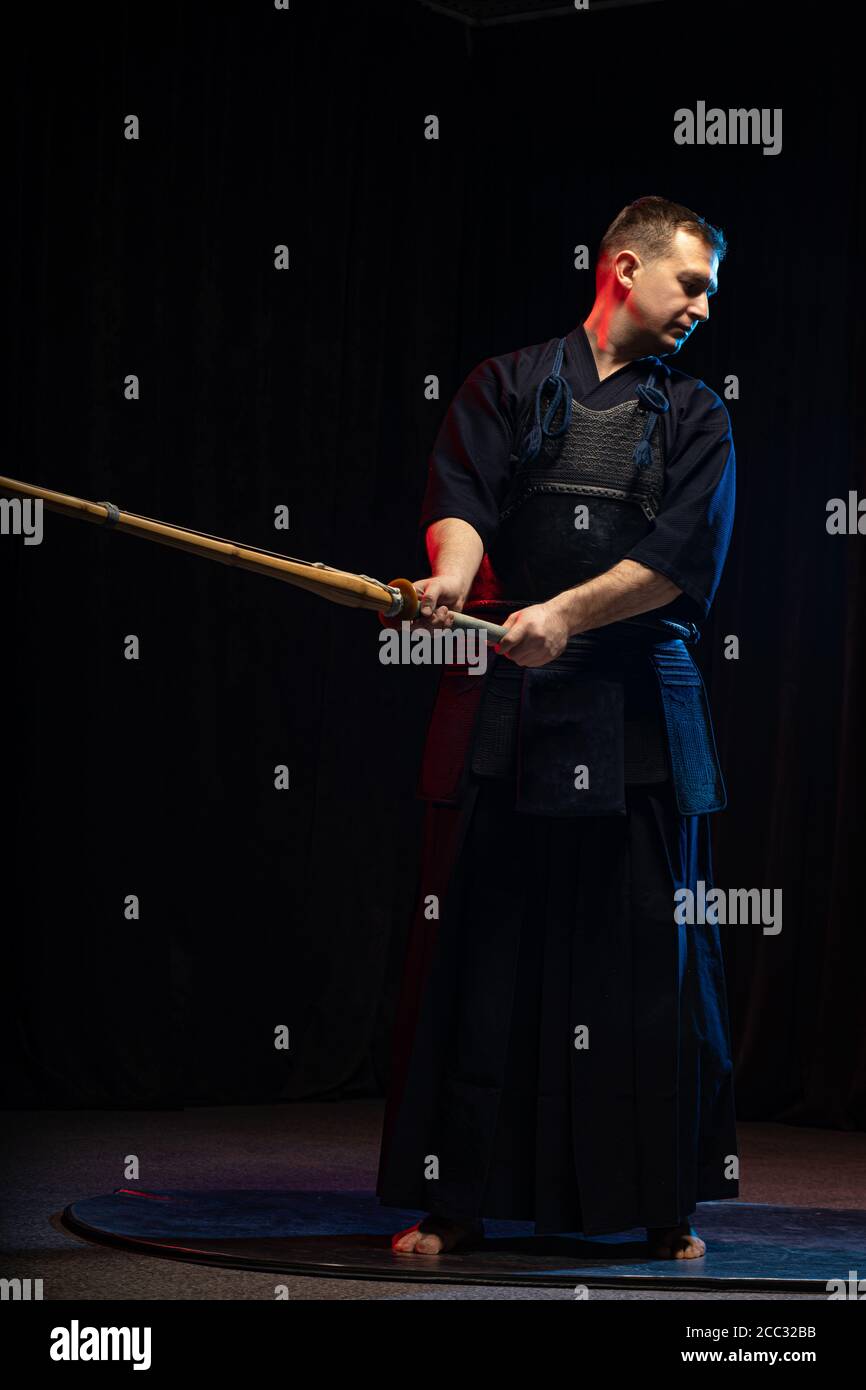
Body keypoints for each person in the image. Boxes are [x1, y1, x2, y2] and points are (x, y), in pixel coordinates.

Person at [376, 196, 739, 1261]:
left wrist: (566, 614)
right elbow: (461, 501)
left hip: (637, 708)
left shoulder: (699, 416)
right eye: (691, 284)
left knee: (647, 961)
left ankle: (659, 1204)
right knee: (483, 953)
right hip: (510, 704)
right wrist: (451, 581)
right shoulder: (504, 383)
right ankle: (456, 1199)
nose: (703, 308)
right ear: (623, 269)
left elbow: (678, 560)